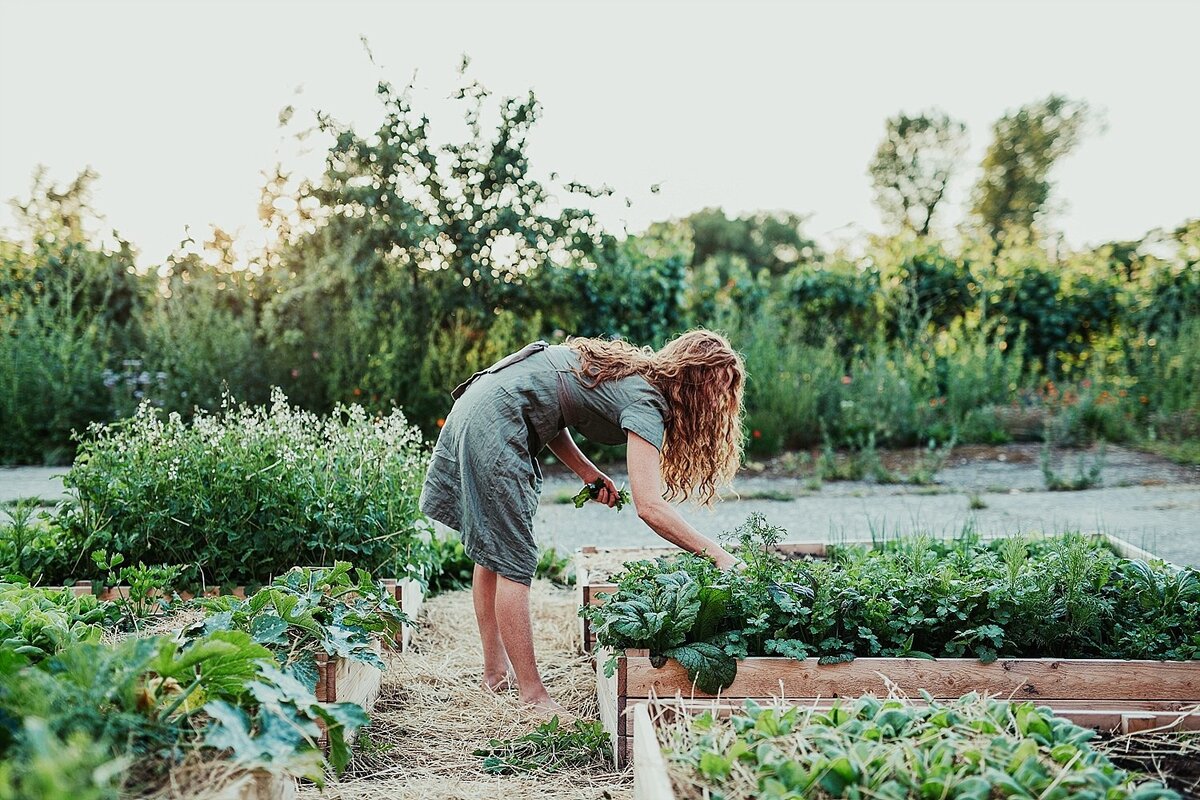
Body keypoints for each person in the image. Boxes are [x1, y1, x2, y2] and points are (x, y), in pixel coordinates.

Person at [419, 330, 745, 713]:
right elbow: (650, 507)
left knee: (493, 552)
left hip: (481, 404)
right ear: (693, 384)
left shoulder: (630, 372)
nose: (719, 403)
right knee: (513, 562)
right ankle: (532, 695)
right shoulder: (648, 402)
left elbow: (549, 403)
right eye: (716, 391)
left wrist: (587, 473)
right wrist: (718, 554)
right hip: (495, 418)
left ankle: (496, 674)